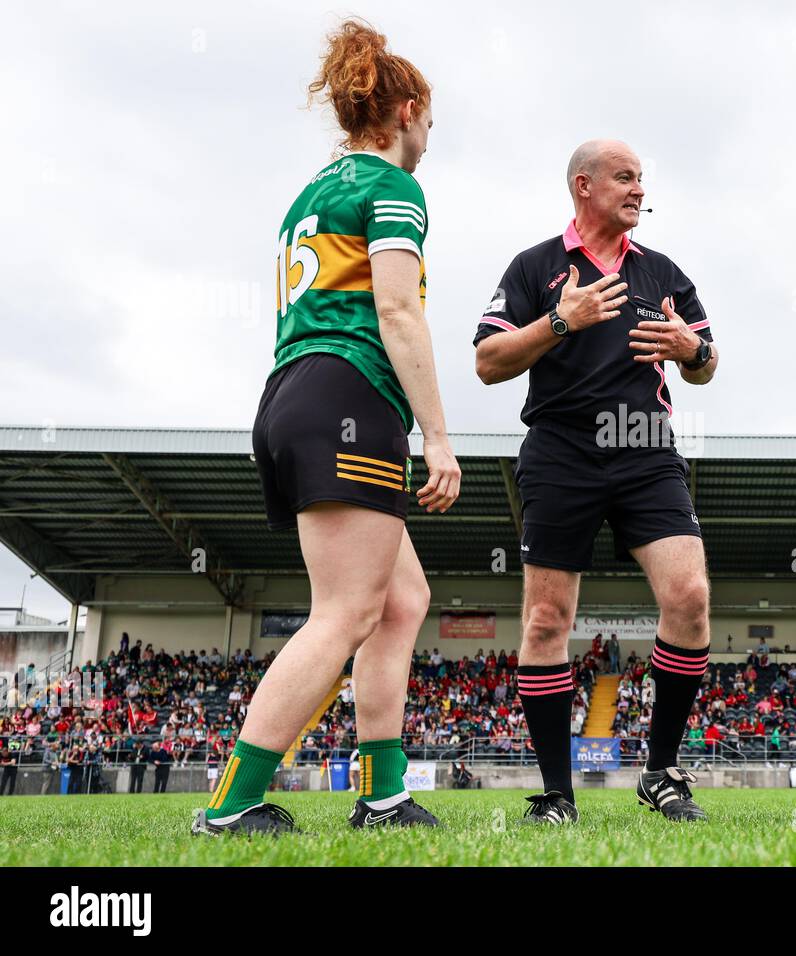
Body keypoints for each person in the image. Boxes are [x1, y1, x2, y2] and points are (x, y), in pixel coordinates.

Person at [194, 20, 460, 836]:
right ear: (407, 110)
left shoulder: (312, 191)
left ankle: (381, 796)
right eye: (430, 121)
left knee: (401, 598)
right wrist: (439, 437)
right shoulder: (392, 185)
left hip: (293, 394)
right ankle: (229, 808)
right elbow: (396, 311)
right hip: (347, 396)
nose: (430, 138)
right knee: (344, 611)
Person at [473, 138, 718, 824]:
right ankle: (558, 796)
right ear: (583, 186)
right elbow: (488, 361)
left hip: (646, 451)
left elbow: (707, 361)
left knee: (691, 597)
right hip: (561, 452)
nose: (639, 189)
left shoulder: (662, 272)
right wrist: (560, 320)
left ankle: (661, 773)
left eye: (643, 178)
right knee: (548, 619)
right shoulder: (537, 266)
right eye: (624, 178)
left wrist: (689, 349)